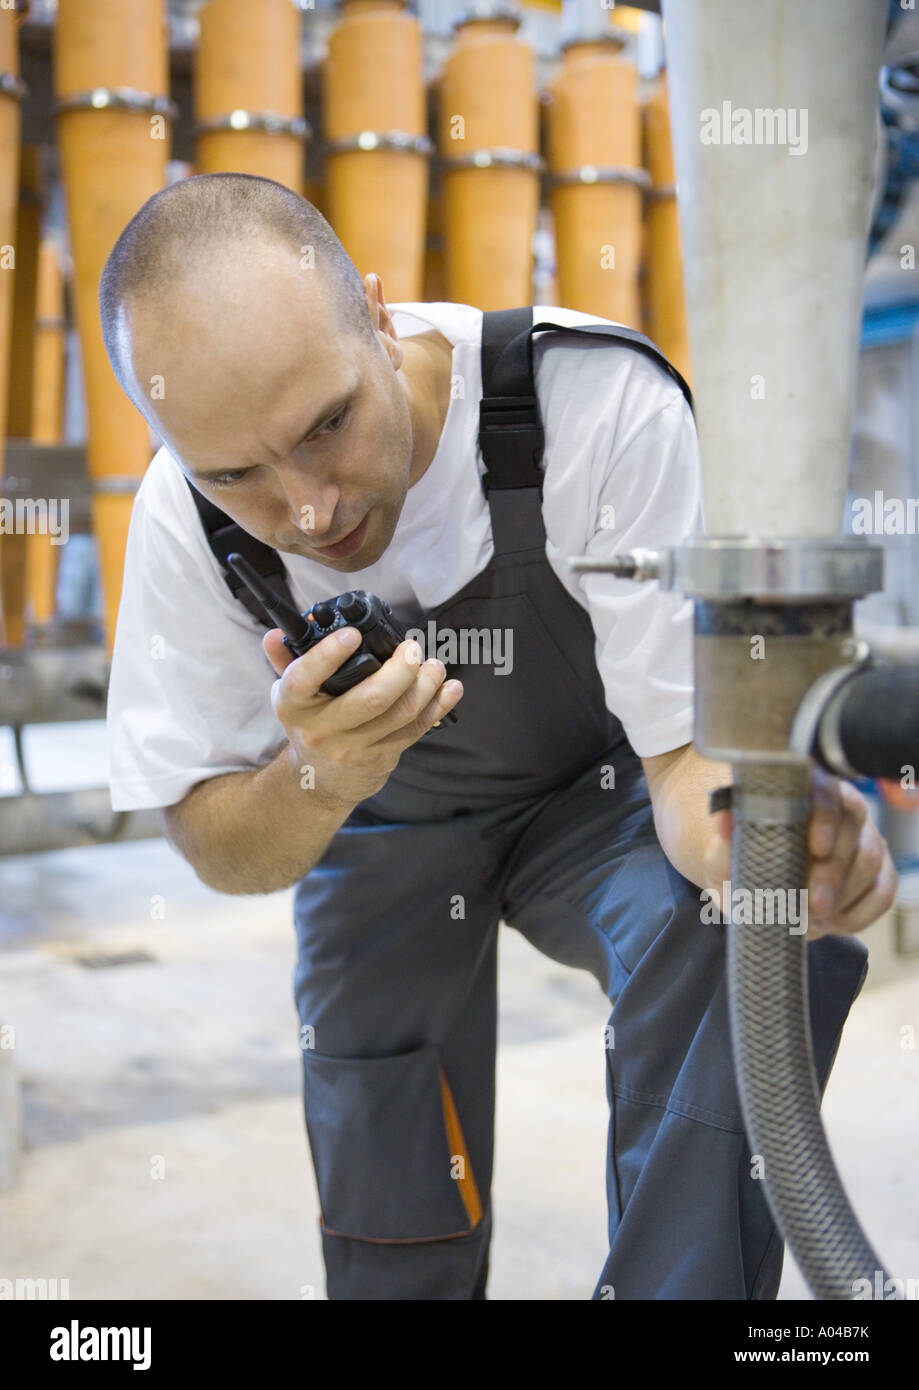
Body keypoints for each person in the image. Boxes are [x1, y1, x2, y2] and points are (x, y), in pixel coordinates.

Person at [101, 173, 896, 1301]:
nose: (311, 510)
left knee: (743, 936)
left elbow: (682, 760)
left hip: (604, 793)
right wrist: (319, 774)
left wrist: (766, 849)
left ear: (378, 318)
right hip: (371, 828)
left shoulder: (590, 405)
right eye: (237, 476)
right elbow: (219, 841)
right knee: (388, 1167)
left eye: (328, 424)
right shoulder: (182, 522)